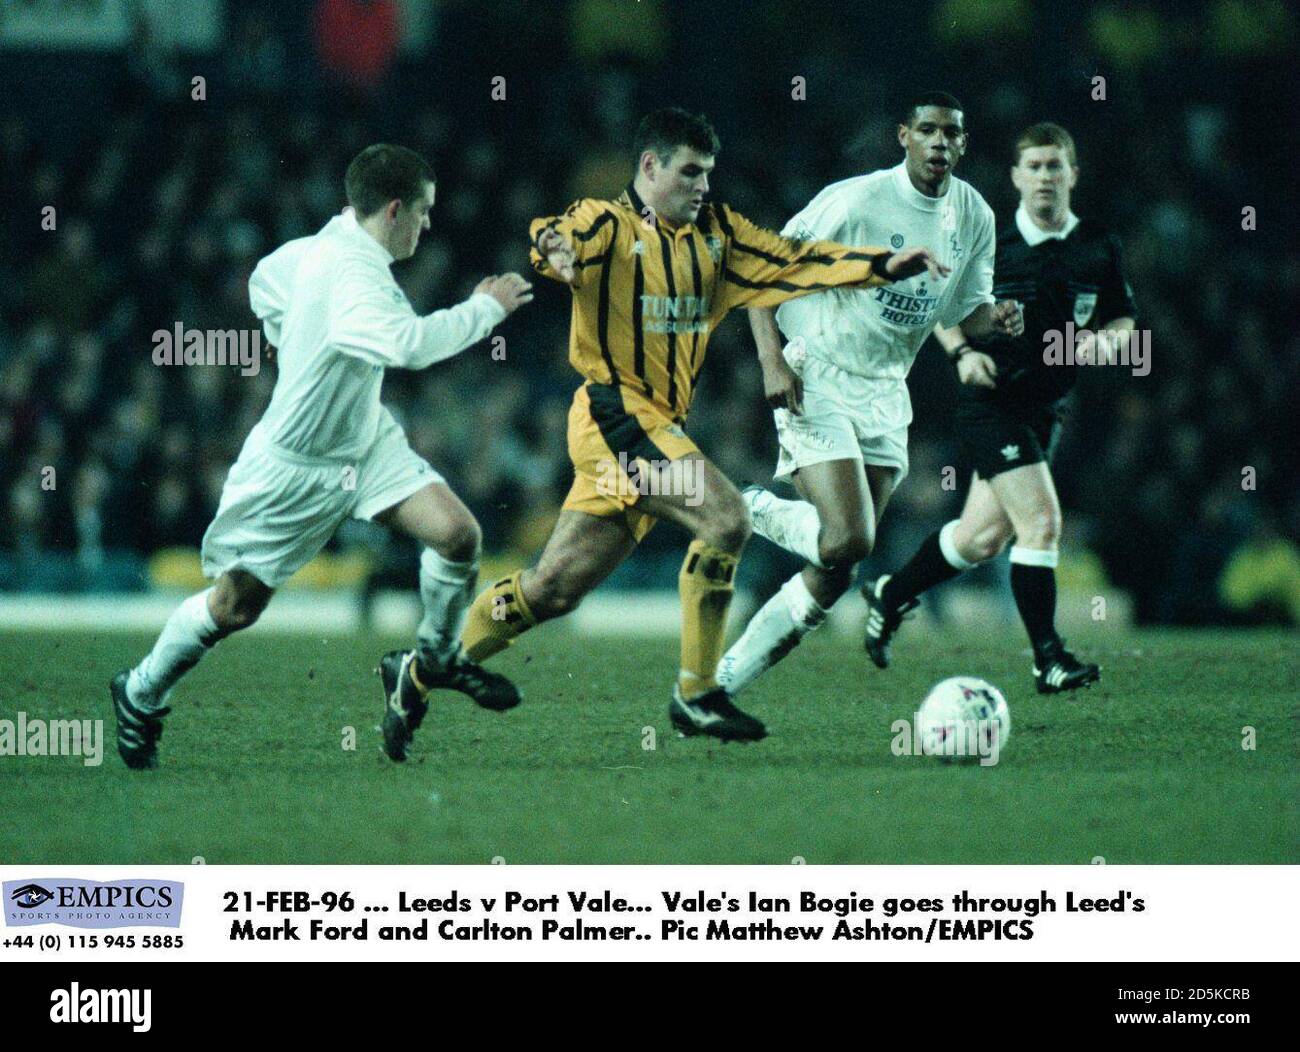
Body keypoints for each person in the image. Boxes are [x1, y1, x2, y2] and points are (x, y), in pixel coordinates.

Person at [452, 107, 949, 743]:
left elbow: (792, 261)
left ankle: (426, 666)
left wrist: (879, 266)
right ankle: (698, 692)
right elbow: (557, 233)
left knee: (552, 589)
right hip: (614, 419)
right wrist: (555, 251)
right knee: (725, 517)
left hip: (653, 430)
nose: (703, 186)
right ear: (650, 167)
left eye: (709, 173)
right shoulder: (607, 224)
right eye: (690, 172)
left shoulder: (718, 235)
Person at [110, 143, 533, 768]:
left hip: (363, 443)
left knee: (457, 535)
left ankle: (433, 660)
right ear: (394, 211)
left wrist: (293, 338)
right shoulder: (357, 277)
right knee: (235, 607)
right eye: (424, 211)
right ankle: (141, 691)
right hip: (294, 467)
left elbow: (265, 282)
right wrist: (484, 310)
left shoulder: (318, 247)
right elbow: (408, 345)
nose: (429, 224)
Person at [716, 93, 1022, 698]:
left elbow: (969, 312)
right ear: (903, 136)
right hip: (818, 373)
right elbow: (760, 269)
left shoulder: (974, 216)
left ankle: (723, 680)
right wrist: (770, 358)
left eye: (951, 134)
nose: (940, 142)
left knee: (839, 568)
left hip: (886, 392)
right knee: (850, 539)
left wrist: (999, 320)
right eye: (927, 130)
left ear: (963, 145)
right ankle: (751, 505)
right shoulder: (856, 199)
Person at [864, 121, 1137, 693]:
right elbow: (933, 300)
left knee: (978, 540)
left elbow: (1122, 318)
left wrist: (1108, 342)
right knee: (1041, 522)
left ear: (1072, 175)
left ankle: (891, 592)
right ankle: (1048, 658)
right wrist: (962, 350)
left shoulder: (1097, 246)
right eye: (1033, 166)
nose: (1044, 176)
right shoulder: (988, 241)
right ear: (1016, 176)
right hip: (991, 402)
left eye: (1054, 166)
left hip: (1044, 409)